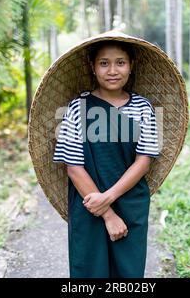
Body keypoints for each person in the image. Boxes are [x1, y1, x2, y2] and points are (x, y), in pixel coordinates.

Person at [52, 40, 160, 278]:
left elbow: (143, 161)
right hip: (88, 203)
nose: (112, 70)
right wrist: (107, 213)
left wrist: (108, 198)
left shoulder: (143, 108)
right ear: (92, 66)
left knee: (128, 272)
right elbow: (73, 167)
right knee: (90, 271)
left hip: (130, 202)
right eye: (104, 63)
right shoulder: (77, 108)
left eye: (120, 62)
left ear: (132, 65)